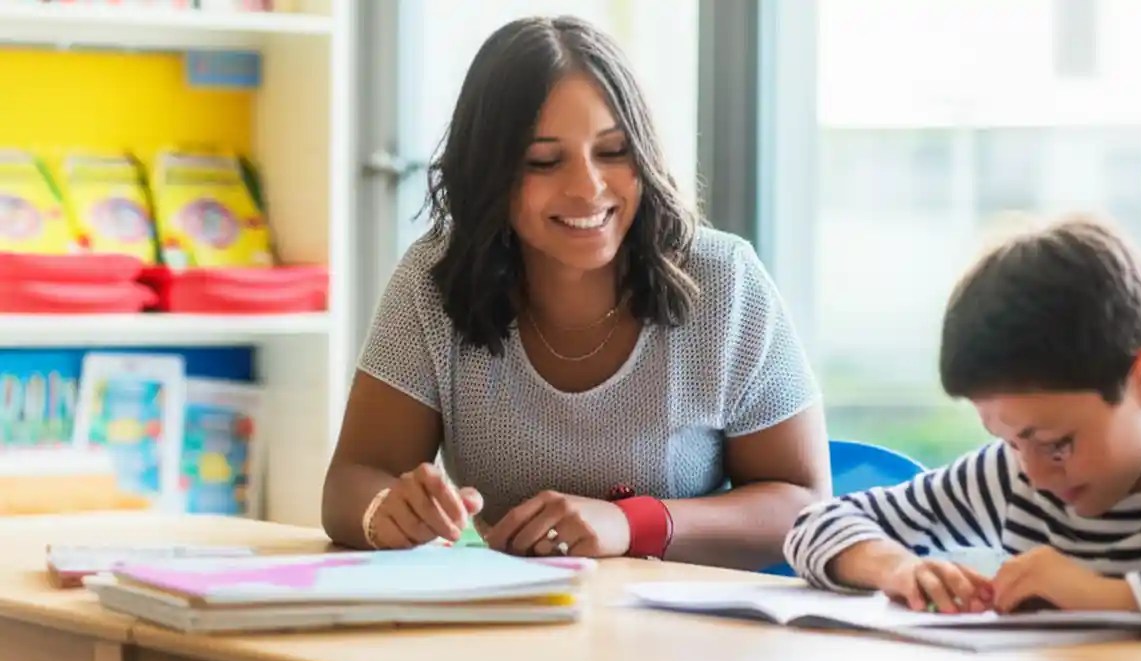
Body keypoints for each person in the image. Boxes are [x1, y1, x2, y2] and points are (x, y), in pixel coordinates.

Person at [323, 16, 829, 570]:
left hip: (679, 634)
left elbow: (802, 503)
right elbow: (352, 480)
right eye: (544, 161)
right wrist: (389, 511)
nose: (588, 187)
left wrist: (631, 522)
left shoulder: (723, 280)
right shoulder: (435, 280)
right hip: (510, 628)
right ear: (488, 172)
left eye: (613, 152)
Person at [784, 216, 1141, 641]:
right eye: (1010, 441)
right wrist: (898, 567)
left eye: (1058, 446)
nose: (1037, 474)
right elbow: (816, 525)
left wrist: (1104, 596)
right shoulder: (1017, 470)